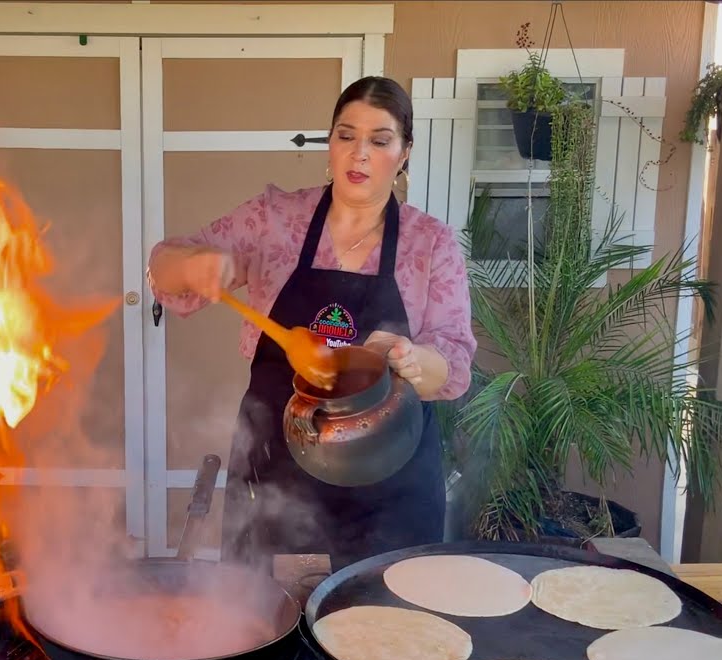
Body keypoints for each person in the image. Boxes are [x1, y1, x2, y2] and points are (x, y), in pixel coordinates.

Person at [147, 76, 476, 575]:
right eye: (346, 135)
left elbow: (451, 366)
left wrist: (410, 358)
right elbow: (163, 269)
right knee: (265, 626)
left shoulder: (430, 244)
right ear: (330, 143)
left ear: (404, 153)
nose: (359, 154)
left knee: (380, 633)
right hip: (277, 471)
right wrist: (194, 264)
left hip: (390, 486)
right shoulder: (277, 220)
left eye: (379, 140)